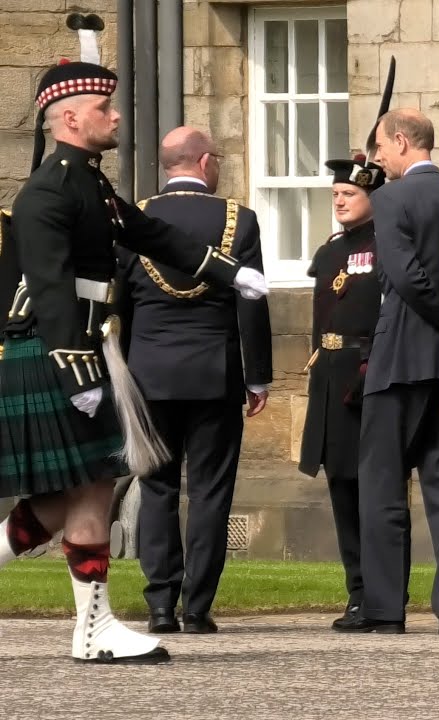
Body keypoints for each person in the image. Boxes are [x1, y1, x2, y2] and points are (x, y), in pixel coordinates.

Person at [0, 13, 267, 664]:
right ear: (68, 120)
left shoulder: (91, 186)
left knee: (81, 492)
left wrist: (231, 273)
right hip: (57, 352)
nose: (115, 116)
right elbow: (53, 287)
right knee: (85, 489)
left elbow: (159, 238)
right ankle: (93, 632)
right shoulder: (45, 196)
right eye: (102, 106)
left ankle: (93, 630)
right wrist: (77, 372)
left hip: (89, 350)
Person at [117, 127, 273, 636]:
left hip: (148, 373)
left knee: (157, 486)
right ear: (204, 162)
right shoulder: (238, 220)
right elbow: (250, 304)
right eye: (219, 159)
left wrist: (122, 368)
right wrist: (259, 377)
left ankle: (160, 603)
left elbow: (120, 304)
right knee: (210, 491)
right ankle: (197, 607)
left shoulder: (133, 217)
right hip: (215, 371)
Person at [350, 108, 439, 635]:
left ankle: (384, 607)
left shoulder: (390, 198)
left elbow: (404, 276)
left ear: (402, 142)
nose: (377, 157)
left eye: (381, 146)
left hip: (400, 358)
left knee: (382, 484)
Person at [298, 153, 386, 632]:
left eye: (350, 194)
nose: (340, 201)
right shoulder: (330, 252)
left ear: (373, 196)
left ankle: (379, 592)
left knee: (372, 491)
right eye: (335, 195)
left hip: (365, 376)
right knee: (341, 489)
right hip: (329, 378)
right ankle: (357, 591)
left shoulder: (385, 246)